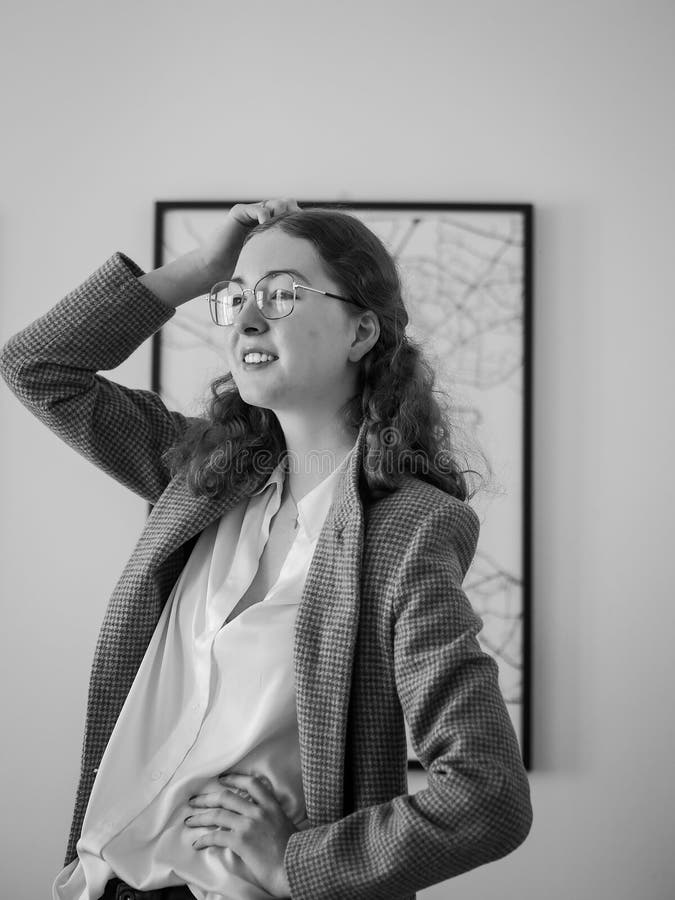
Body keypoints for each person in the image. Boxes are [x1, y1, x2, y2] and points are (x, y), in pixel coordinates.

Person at [0, 198, 532, 900]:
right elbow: (37, 367)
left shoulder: (408, 531)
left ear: (360, 330)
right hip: (98, 882)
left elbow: (486, 793)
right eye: (234, 296)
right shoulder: (199, 474)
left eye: (281, 293)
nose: (247, 316)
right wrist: (199, 269)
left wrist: (297, 865)